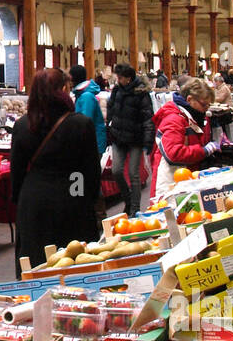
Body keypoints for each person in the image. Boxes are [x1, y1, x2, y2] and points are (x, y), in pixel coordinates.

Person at [10, 68, 102, 276]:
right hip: (72, 193)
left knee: (35, 261)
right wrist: (85, 198)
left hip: (34, 197)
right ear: (62, 90)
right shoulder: (80, 124)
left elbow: (17, 170)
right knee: (75, 262)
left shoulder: (23, 125)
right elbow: (89, 170)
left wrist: (21, 198)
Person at [151, 79, 233, 197]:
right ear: (190, 99)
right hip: (171, 185)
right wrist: (204, 151)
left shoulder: (196, 118)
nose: (206, 109)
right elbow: (173, 154)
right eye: (204, 105)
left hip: (187, 181)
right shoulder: (173, 120)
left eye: (208, 105)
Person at [106, 63, 156, 216]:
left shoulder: (141, 93)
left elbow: (148, 118)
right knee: (116, 171)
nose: (117, 80)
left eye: (120, 77)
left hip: (135, 138)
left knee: (134, 174)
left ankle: (134, 208)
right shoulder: (116, 91)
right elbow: (111, 110)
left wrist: (148, 141)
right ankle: (127, 200)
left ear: (128, 78)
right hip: (118, 137)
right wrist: (110, 129)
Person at [70, 64, 106, 154]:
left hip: (93, 142)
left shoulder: (86, 97)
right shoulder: (81, 94)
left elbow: (85, 120)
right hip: (89, 141)